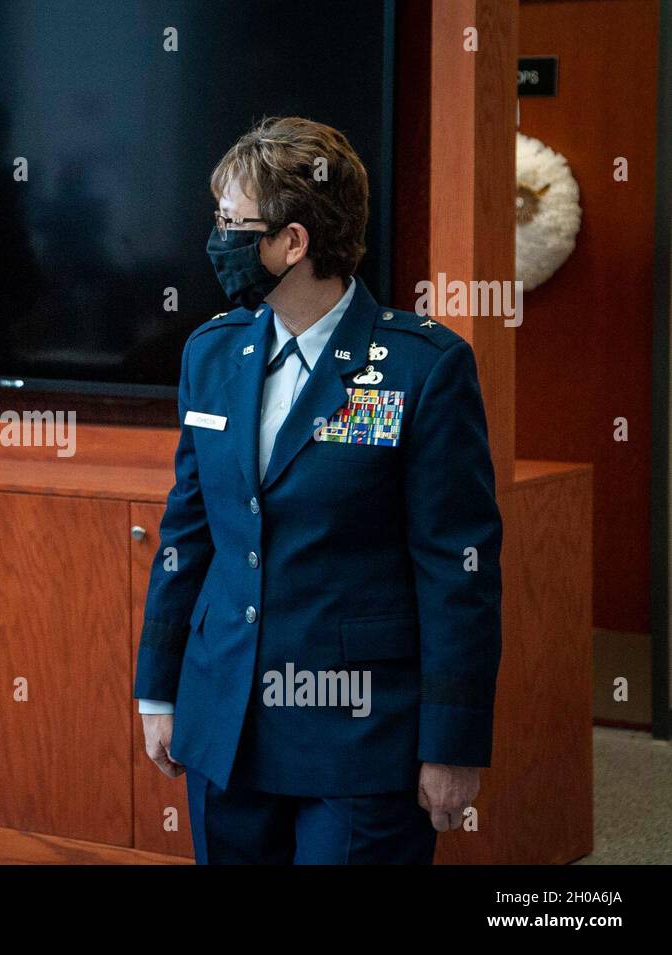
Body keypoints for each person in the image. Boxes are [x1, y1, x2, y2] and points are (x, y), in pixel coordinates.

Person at [135, 116, 502, 864]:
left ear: (293, 243)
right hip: (224, 721)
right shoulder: (211, 352)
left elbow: (457, 568)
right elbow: (189, 532)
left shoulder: (421, 367)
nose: (216, 239)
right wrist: (159, 689)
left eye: (233, 224)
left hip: (359, 735)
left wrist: (454, 742)